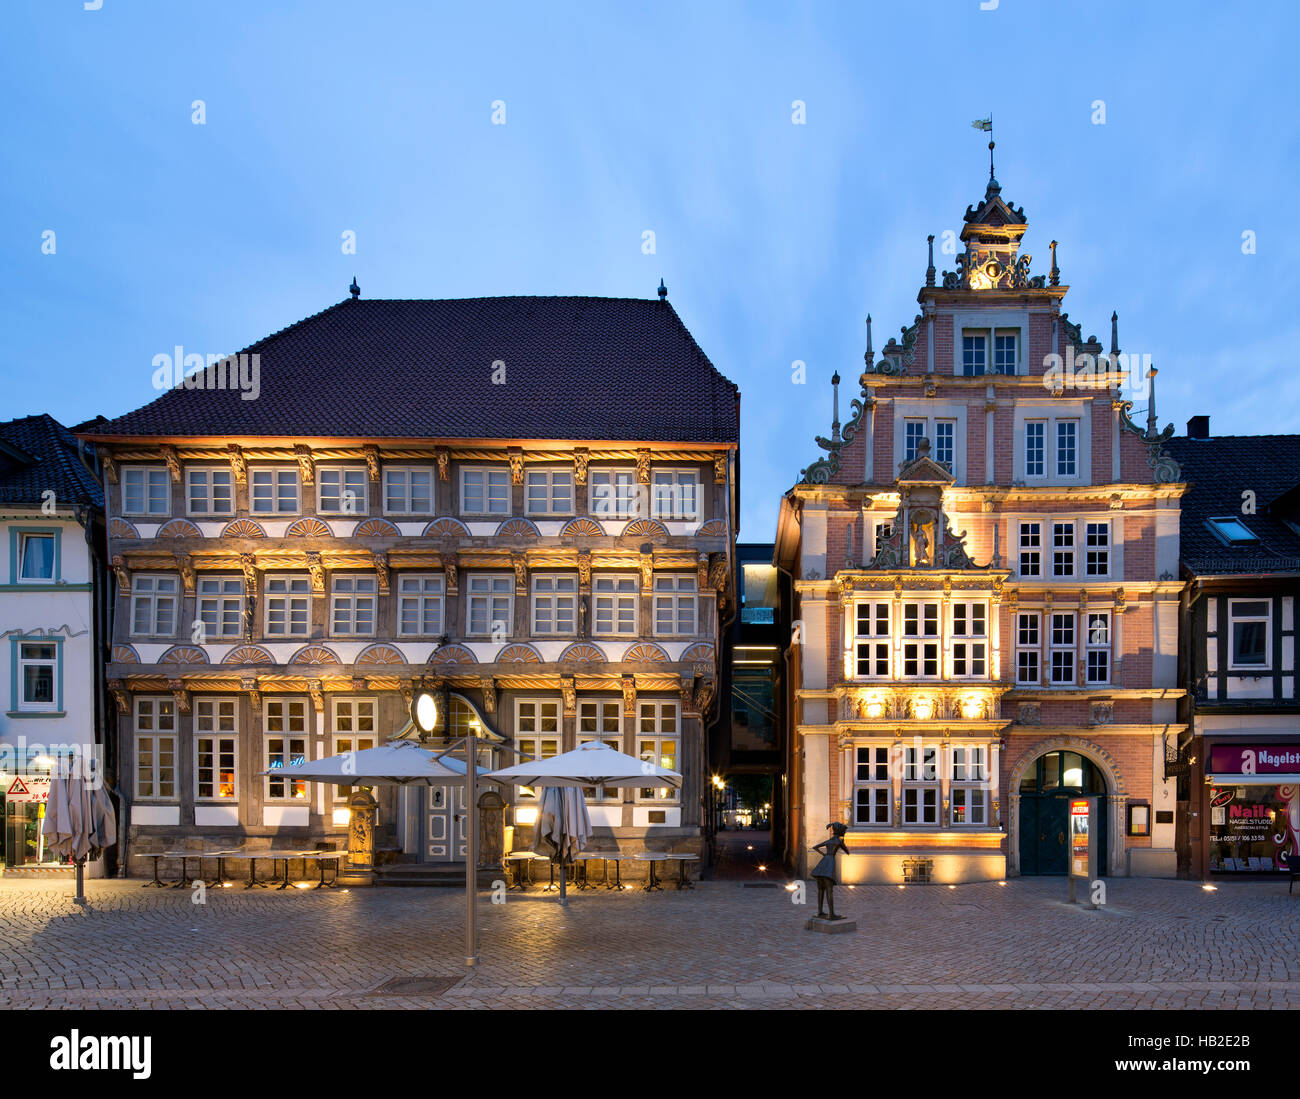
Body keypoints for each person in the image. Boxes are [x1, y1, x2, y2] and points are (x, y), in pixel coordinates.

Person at [810, 821, 850, 919]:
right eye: (844, 831)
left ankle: (820, 912)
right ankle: (831, 914)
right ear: (840, 831)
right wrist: (843, 841)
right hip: (830, 863)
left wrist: (823, 854)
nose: (844, 833)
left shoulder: (828, 841)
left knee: (820, 890)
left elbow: (815, 847)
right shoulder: (839, 841)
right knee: (829, 890)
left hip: (822, 863)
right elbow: (847, 852)